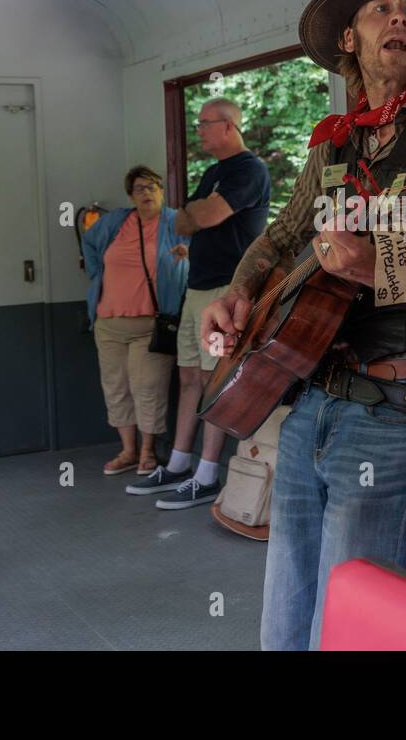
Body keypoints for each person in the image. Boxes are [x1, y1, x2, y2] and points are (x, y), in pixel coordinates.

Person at [201, 0, 406, 650]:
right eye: (380, 8)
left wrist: (380, 268)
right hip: (311, 399)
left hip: (395, 412)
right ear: (351, 39)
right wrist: (238, 295)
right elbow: (283, 237)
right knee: (282, 624)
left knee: (347, 634)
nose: (398, 17)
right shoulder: (335, 146)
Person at [127, 98, 271, 510]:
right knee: (188, 377)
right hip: (197, 288)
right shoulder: (213, 172)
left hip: (227, 290)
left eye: (205, 124)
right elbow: (182, 221)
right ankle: (177, 465)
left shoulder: (249, 170)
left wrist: (197, 211)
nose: (199, 131)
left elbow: (202, 217)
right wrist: (196, 212)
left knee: (214, 381)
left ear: (228, 126)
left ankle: (207, 475)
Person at [81, 168, 189, 475]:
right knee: (116, 388)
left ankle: (147, 452)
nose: (147, 193)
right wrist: (95, 276)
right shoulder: (116, 222)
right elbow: (88, 243)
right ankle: (127, 451)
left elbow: (194, 251)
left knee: (148, 389)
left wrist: (185, 259)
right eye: (140, 188)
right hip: (108, 320)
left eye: (153, 187)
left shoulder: (175, 221)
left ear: (162, 191)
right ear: (131, 195)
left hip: (152, 324)